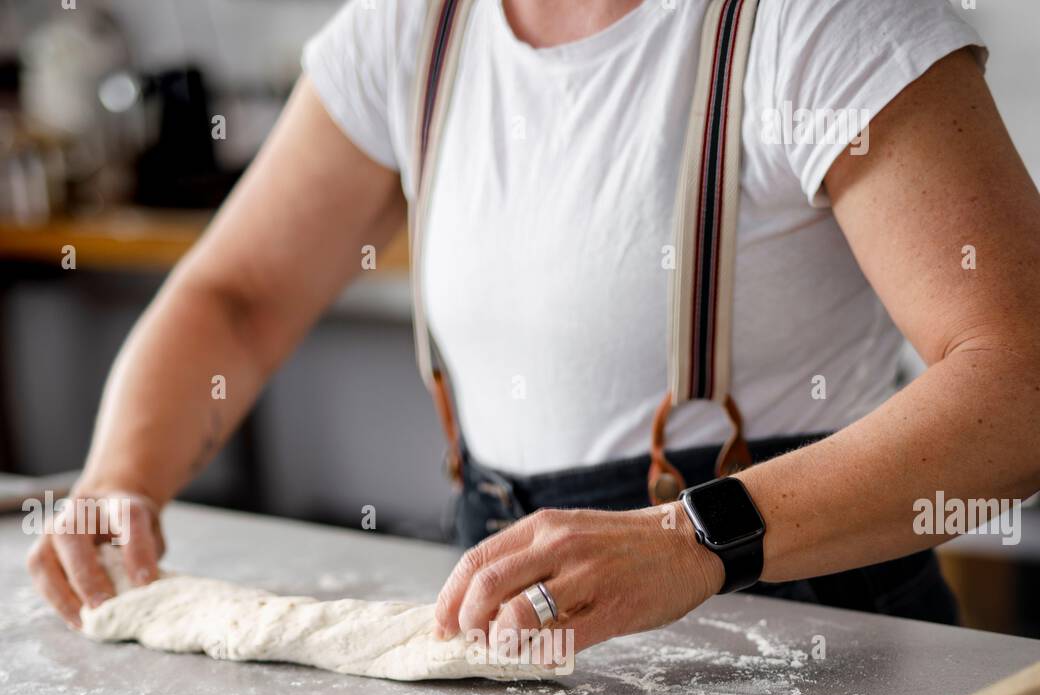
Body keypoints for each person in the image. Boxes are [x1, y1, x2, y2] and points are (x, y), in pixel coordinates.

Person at [28, 0, 1040, 660]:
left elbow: (1017, 378)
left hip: (815, 645)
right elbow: (236, 296)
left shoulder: (819, 24)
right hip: (507, 647)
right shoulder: (414, 31)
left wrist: (689, 535)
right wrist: (121, 474)